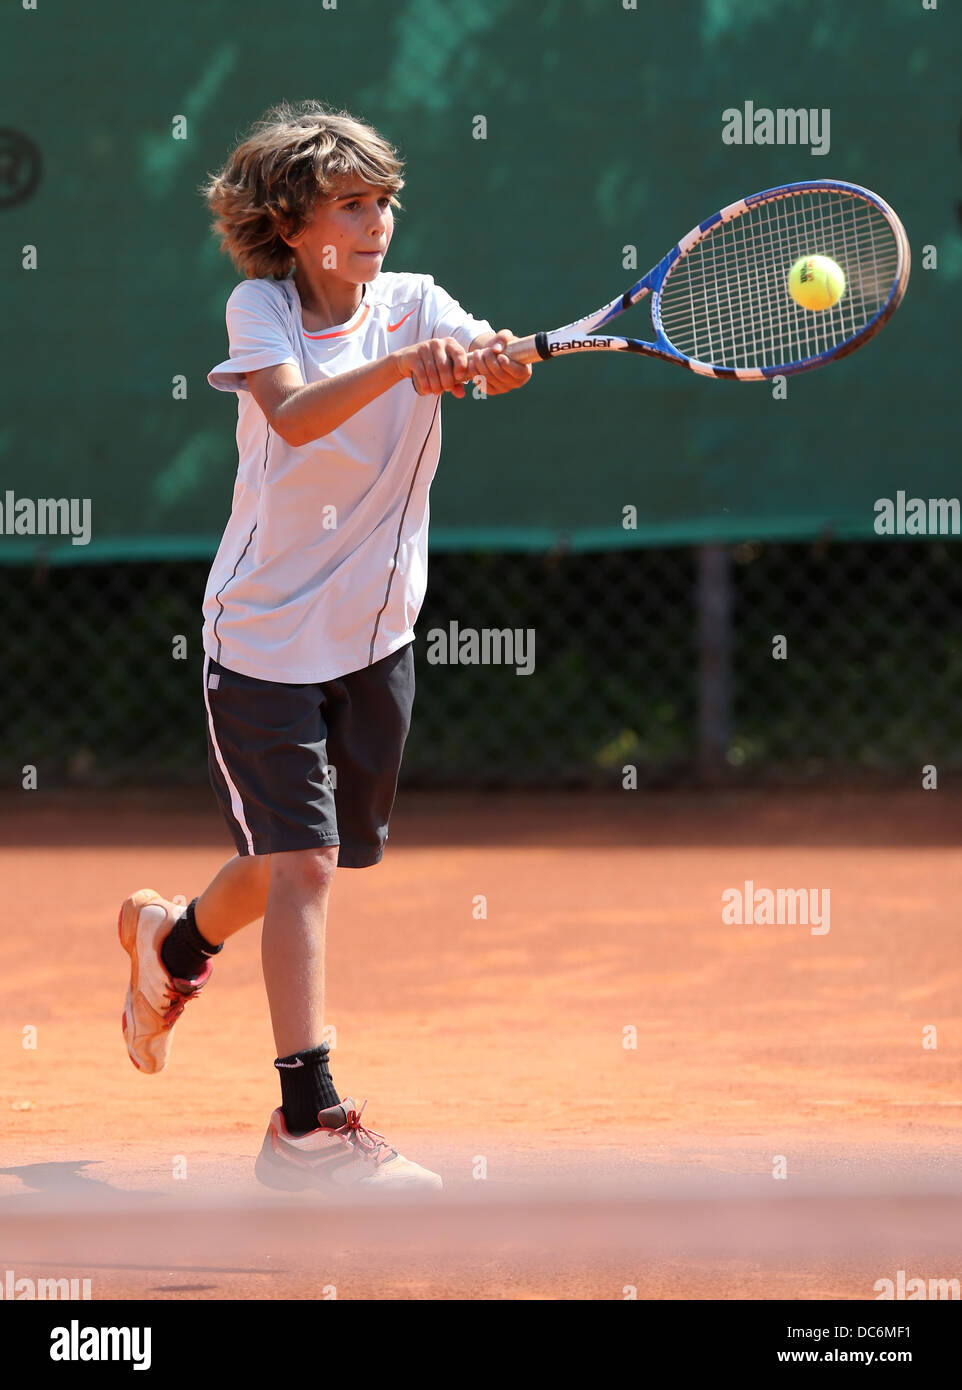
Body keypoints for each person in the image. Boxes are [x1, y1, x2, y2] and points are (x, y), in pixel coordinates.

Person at [118, 100, 531, 1192]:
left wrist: (488, 359)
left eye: (384, 196)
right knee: (302, 864)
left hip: (376, 634)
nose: (378, 216)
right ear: (293, 226)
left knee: (294, 858)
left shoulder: (414, 301)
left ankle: (172, 945)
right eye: (352, 201)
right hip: (260, 637)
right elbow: (296, 418)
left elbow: (496, 371)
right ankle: (307, 1123)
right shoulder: (260, 310)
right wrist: (408, 368)